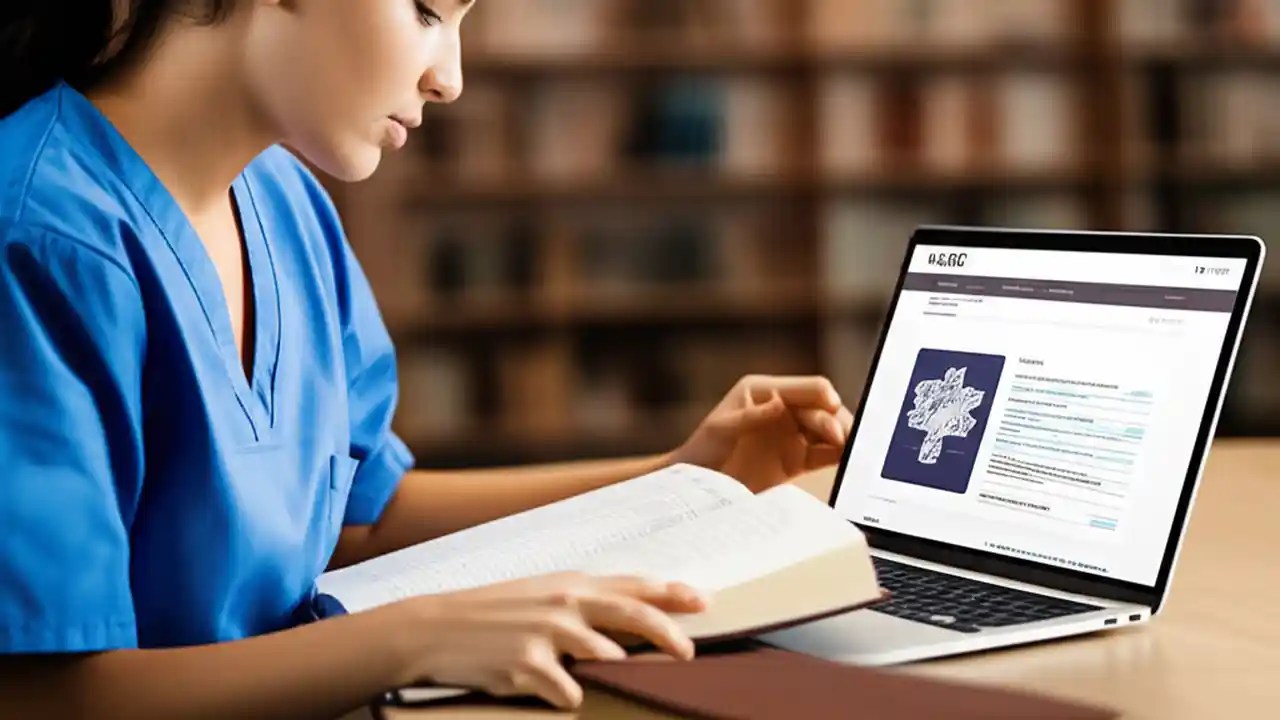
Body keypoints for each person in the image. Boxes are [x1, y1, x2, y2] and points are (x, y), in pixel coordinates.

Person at [0, 1, 855, 716]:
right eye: (426, 12)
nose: (449, 76)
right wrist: (412, 636)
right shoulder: (39, 236)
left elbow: (367, 512)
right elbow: (41, 694)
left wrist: (675, 481)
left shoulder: (287, 204)